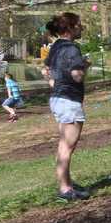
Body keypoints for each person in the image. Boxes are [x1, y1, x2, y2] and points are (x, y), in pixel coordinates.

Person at [43, 12, 90, 201]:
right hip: (69, 101)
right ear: (70, 28)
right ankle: (64, 189)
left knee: (65, 144)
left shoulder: (56, 47)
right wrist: (85, 66)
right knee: (66, 146)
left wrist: (55, 84)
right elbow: (77, 75)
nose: (81, 27)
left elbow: (46, 70)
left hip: (57, 99)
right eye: (78, 24)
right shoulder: (72, 49)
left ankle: (67, 184)